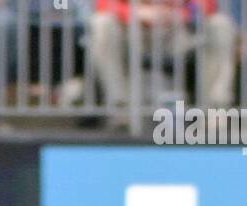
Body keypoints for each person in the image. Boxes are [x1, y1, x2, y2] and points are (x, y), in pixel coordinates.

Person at [89, 0, 236, 119]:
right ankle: (121, 108)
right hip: (132, 30)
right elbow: (103, 4)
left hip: (179, 31)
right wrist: (135, 12)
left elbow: (209, 4)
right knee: (101, 23)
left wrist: (182, 13)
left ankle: (214, 110)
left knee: (220, 24)